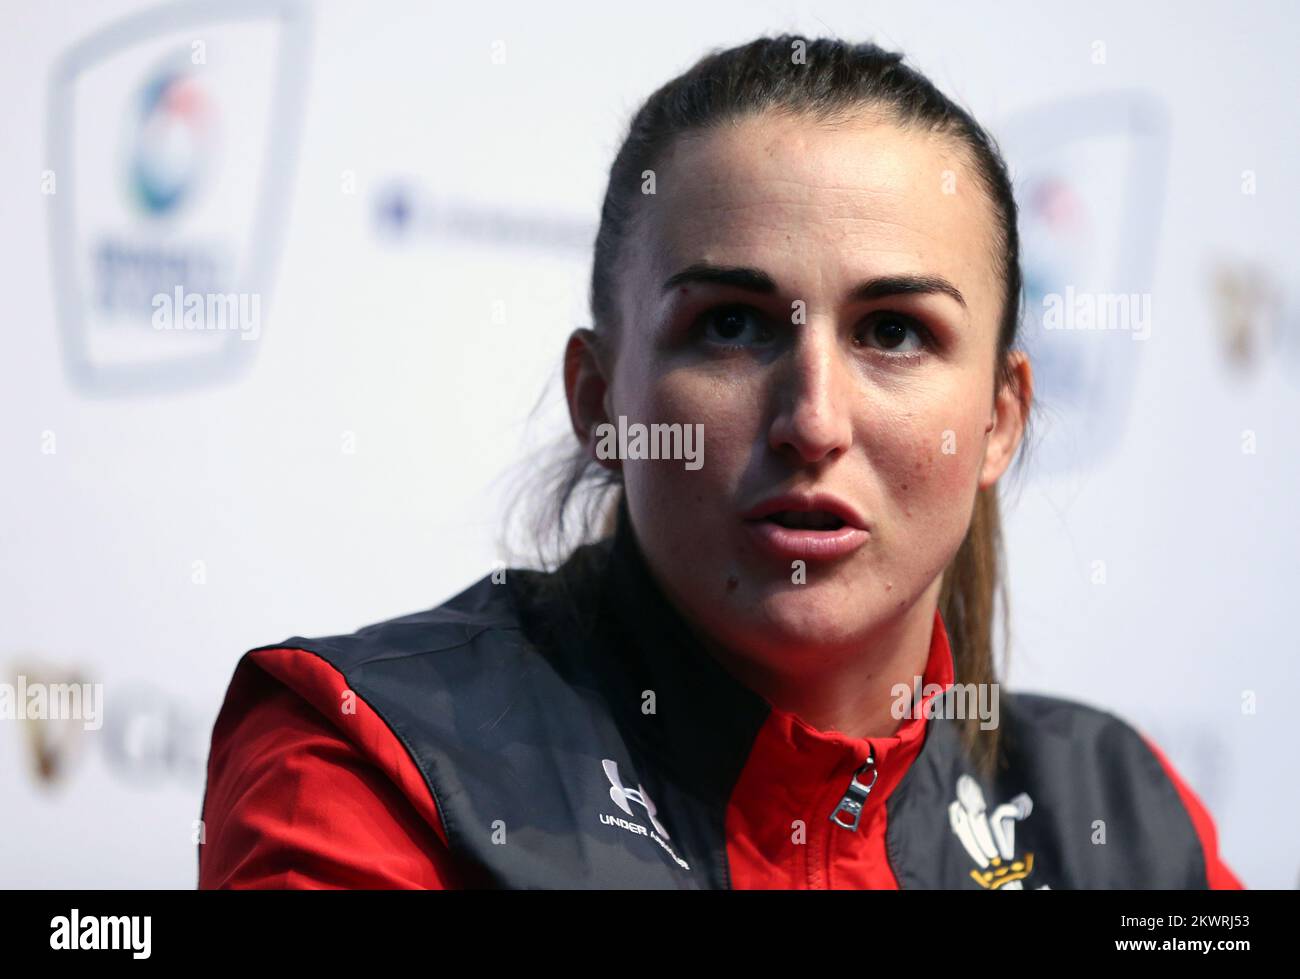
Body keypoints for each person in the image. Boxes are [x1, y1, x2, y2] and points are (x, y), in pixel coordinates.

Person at [198, 34, 1243, 889]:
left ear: (999, 422)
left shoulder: (1129, 824)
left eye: (893, 331)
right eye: (733, 326)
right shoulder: (371, 756)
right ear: (599, 400)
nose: (814, 419)